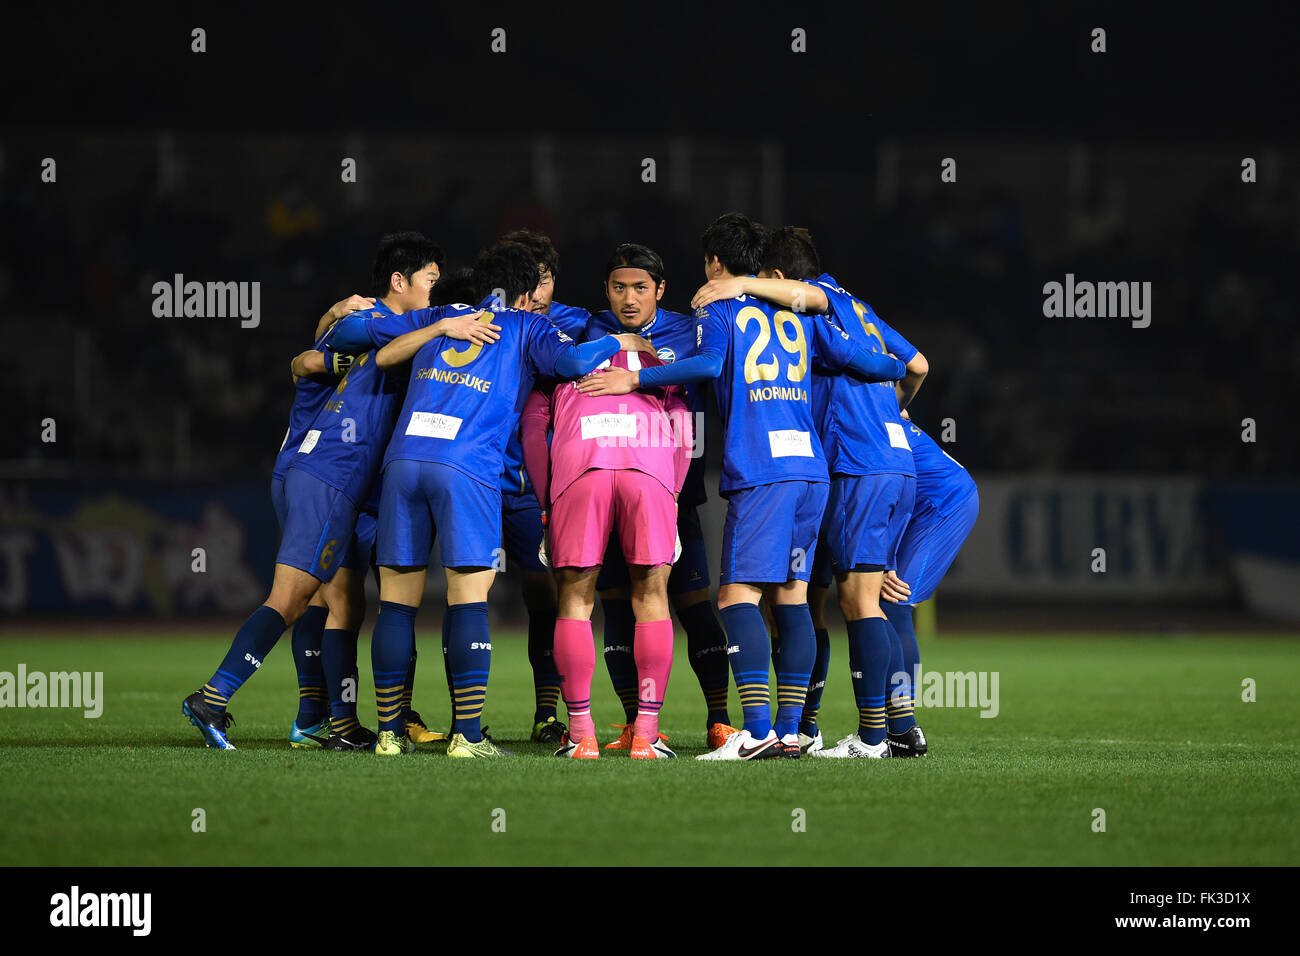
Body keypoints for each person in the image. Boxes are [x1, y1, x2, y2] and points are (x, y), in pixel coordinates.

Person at [579, 213, 907, 760]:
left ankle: (754, 733)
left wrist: (632, 376)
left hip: (763, 471)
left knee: (735, 596)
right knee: (793, 599)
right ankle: (790, 731)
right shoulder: (794, 305)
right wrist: (897, 366)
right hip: (811, 470)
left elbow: (708, 363)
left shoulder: (717, 305)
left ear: (714, 262)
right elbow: (855, 358)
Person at [520, 321, 685, 758]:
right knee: (652, 596)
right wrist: (674, 495)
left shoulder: (559, 366)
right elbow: (685, 427)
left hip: (580, 470)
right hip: (648, 472)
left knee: (575, 599)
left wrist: (546, 503)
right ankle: (646, 736)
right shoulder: (655, 365)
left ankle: (581, 735)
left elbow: (533, 434)